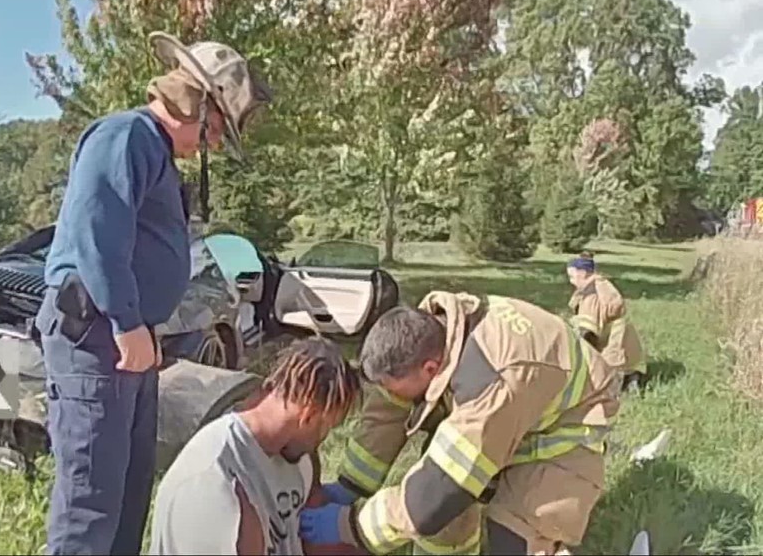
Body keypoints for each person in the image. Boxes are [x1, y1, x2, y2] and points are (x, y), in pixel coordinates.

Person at [35, 30, 273, 555]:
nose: (209, 144)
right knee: (90, 507)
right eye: (213, 131)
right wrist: (125, 322)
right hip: (96, 336)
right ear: (196, 105)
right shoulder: (128, 137)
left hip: (124, 345)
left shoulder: (156, 154)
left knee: (127, 494)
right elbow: (98, 230)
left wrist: (145, 330)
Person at [304, 292, 621, 555]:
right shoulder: (430, 333)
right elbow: (389, 412)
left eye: (392, 387)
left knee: (514, 539)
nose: (389, 396)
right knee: (446, 512)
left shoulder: (491, 384)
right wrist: (351, 486)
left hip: (567, 421)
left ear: (430, 368)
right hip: (520, 398)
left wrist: (349, 525)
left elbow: (441, 490)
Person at [148, 337, 362, 556]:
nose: (323, 438)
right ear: (308, 415)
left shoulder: (300, 459)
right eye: (325, 427)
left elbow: (318, 539)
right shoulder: (217, 479)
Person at [567, 251, 647, 393]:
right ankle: (631, 381)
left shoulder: (590, 296)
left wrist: (576, 358)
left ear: (582, 273)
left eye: (572, 276)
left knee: (604, 378)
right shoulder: (603, 285)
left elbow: (587, 332)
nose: (571, 281)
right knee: (626, 364)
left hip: (611, 344)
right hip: (627, 341)